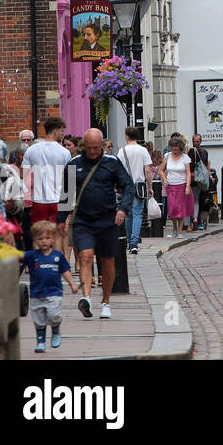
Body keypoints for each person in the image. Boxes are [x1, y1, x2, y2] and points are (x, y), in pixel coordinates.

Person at [66, 128, 135, 320]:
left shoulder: (111, 162)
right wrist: (62, 217)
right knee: (85, 256)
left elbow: (128, 186)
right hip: (83, 220)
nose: (93, 151)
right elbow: (65, 191)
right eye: (89, 148)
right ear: (84, 146)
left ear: (102, 145)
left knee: (107, 261)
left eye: (96, 147)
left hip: (108, 219)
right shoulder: (74, 164)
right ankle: (86, 298)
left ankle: (106, 302)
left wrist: (123, 209)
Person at [20, 220, 79, 352]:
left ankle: (55, 328)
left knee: (53, 315)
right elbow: (18, 256)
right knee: (39, 320)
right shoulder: (31, 256)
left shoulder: (57, 256)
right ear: (35, 240)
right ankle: (40, 341)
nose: (44, 241)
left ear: (53, 239)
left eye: (47, 238)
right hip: (36, 294)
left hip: (54, 293)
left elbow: (65, 271)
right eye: (40, 238)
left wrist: (72, 284)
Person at [22, 117, 72, 246]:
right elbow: (69, 180)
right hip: (58, 201)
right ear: (55, 131)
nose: (62, 134)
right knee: (57, 236)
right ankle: (56, 263)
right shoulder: (65, 152)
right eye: (61, 130)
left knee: (38, 235)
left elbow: (25, 176)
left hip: (38, 200)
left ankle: (37, 264)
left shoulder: (31, 150)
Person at [116, 127, 152, 254]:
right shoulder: (143, 150)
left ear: (127, 136)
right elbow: (147, 170)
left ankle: (128, 241)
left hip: (126, 186)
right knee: (137, 214)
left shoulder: (122, 151)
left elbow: (118, 169)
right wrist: (150, 186)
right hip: (139, 185)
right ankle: (134, 243)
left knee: (128, 214)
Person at [159, 136, 194, 238]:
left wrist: (187, 187)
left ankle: (179, 231)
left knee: (181, 209)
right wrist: (165, 179)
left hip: (182, 185)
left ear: (180, 147)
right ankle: (174, 228)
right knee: (173, 208)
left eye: (176, 147)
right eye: (173, 146)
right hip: (171, 186)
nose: (174, 149)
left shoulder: (185, 158)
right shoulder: (167, 156)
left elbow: (188, 173)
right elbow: (161, 169)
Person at [187, 133, 212, 232]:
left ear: (200, 142)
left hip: (201, 179)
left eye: (197, 141)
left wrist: (209, 175)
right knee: (194, 200)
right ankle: (193, 220)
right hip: (193, 179)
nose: (195, 143)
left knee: (201, 200)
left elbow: (206, 164)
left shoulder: (204, 152)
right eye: (194, 141)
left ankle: (198, 220)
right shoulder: (189, 152)